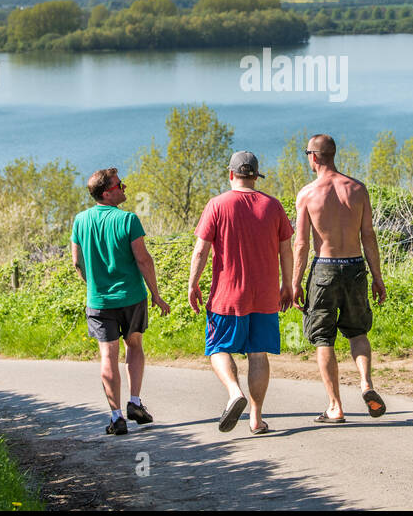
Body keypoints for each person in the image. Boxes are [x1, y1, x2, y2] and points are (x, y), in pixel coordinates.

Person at [188, 151, 294, 434]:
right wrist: (289, 284)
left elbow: (201, 250)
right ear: (256, 176)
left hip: (227, 295)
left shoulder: (217, 205)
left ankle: (235, 393)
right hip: (265, 294)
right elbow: (286, 249)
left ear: (231, 174)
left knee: (218, 348)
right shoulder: (273, 206)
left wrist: (193, 283)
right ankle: (256, 418)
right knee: (258, 354)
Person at [293, 134, 388, 423]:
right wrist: (377, 276)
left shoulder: (308, 194)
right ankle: (366, 384)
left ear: (314, 156)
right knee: (358, 332)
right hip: (355, 265)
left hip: (325, 268)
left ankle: (335, 406)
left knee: (324, 338)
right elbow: (368, 236)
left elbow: (302, 244)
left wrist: (295, 283)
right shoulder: (358, 189)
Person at [71, 167, 171, 435]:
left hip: (99, 300)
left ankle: (116, 418)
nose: (124, 188)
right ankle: (135, 401)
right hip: (132, 297)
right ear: (106, 193)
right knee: (134, 345)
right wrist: (156, 294)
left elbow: (77, 263)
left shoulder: (80, 221)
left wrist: (93, 284)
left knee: (108, 355)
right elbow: (143, 260)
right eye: (119, 185)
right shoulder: (128, 220)